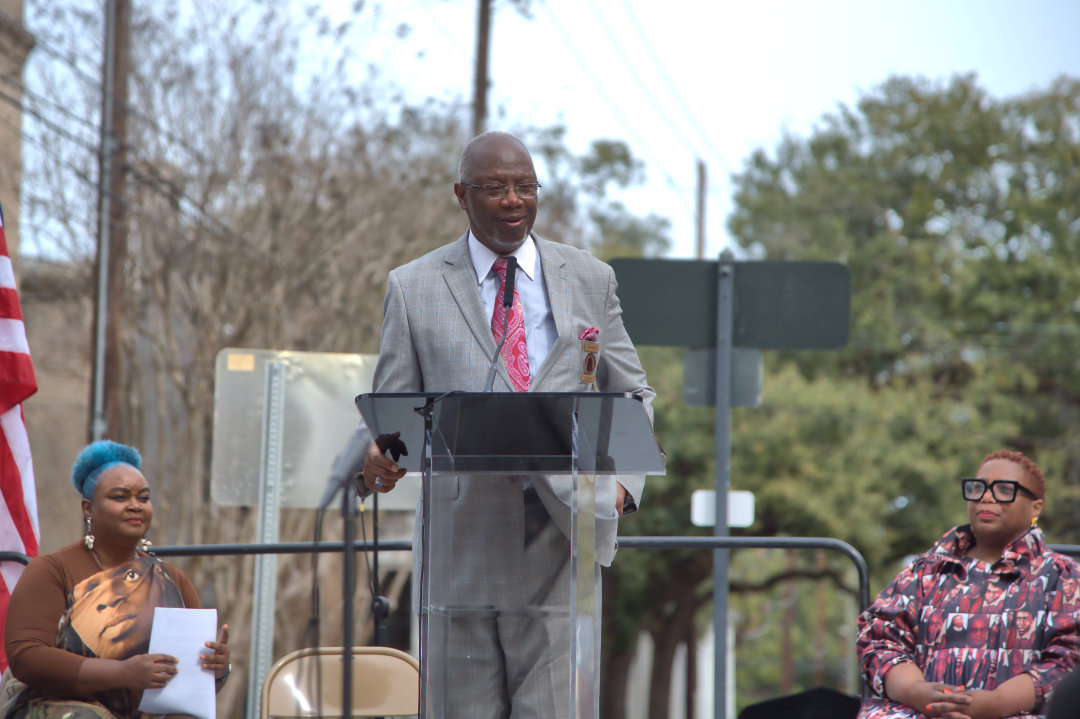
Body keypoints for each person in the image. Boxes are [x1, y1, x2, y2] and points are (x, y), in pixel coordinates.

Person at [355, 131, 657, 718]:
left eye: (526, 187)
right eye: (494, 188)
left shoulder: (589, 277)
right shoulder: (413, 286)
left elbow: (632, 390)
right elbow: (393, 410)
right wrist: (377, 460)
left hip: (563, 534)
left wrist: (622, 487)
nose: (514, 200)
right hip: (459, 542)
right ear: (461, 195)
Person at [0, 441, 231, 719]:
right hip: (58, 708)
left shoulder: (173, 580)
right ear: (88, 507)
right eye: (120, 497)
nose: (135, 506)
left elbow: (186, 686)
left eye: (143, 498)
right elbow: (27, 657)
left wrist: (215, 669)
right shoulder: (52, 570)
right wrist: (124, 673)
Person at [856, 449, 1080, 719]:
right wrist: (916, 692)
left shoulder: (1061, 575)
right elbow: (881, 640)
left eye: (1003, 489)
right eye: (978, 488)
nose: (986, 496)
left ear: (1036, 507)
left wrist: (995, 704)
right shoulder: (926, 570)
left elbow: (1068, 660)